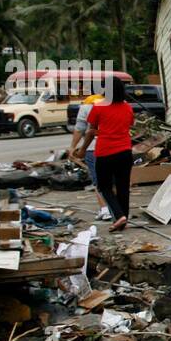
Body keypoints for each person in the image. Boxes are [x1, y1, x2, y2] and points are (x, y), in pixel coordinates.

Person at [75, 77, 134, 232]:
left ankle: (119, 215)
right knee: (122, 187)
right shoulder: (127, 107)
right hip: (125, 151)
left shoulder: (99, 107)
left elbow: (90, 131)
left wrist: (82, 150)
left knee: (104, 186)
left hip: (105, 152)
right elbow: (129, 125)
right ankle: (123, 220)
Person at [69, 93, 111, 220]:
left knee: (98, 180)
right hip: (115, 147)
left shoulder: (87, 106)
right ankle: (116, 209)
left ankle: (105, 210)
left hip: (94, 148)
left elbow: (81, 129)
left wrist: (73, 147)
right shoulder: (119, 104)